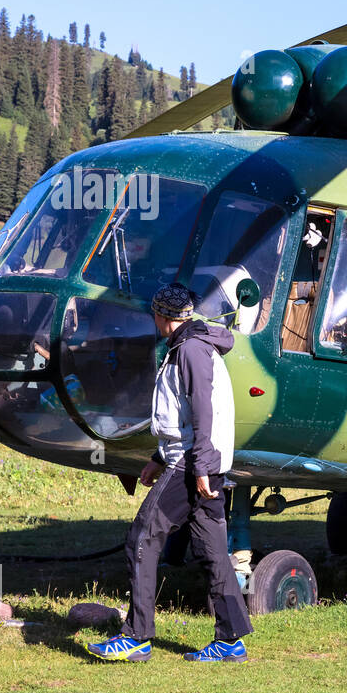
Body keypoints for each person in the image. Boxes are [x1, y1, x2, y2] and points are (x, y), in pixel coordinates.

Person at [86, 283, 253, 662]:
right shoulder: (191, 344)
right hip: (193, 461)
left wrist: (201, 468)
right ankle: (230, 641)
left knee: (142, 538)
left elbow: (204, 413)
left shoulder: (191, 349)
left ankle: (136, 637)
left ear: (161, 316)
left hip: (193, 464)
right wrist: (158, 458)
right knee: (213, 552)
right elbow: (178, 416)